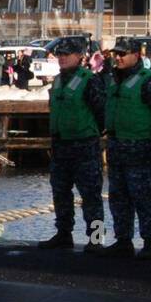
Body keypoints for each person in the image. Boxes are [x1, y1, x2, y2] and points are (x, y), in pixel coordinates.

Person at [101, 36, 151, 259]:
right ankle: (123, 240)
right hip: (117, 147)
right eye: (117, 54)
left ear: (137, 55)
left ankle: (149, 242)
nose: (119, 58)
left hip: (139, 148)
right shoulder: (114, 79)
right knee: (118, 197)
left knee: (143, 197)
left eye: (123, 54)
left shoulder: (148, 81)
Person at [38, 36, 107, 251]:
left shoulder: (89, 80)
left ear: (80, 57)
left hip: (84, 145)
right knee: (60, 191)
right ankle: (63, 233)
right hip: (61, 145)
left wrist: (92, 132)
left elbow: (101, 111)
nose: (62, 58)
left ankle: (96, 239)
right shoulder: (58, 81)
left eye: (67, 54)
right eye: (59, 54)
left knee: (91, 195)